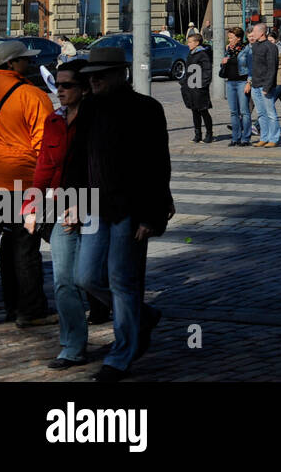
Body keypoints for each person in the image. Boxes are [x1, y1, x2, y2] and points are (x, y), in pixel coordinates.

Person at [73, 46, 172, 382]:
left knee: (122, 280)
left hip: (131, 209)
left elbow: (158, 167)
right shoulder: (89, 108)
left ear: (121, 74)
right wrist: (71, 200)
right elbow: (77, 161)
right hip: (94, 206)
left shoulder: (146, 109)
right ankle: (142, 316)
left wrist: (151, 216)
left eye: (99, 75)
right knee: (86, 276)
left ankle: (122, 354)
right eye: (89, 77)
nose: (93, 81)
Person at [21, 58, 90, 367]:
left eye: (66, 86)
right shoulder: (54, 121)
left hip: (96, 204)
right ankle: (72, 347)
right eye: (57, 85)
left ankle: (136, 317)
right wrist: (31, 207)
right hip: (64, 204)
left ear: (84, 88)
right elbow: (44, 166)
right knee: (64, 279)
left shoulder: (97, 120)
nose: (59, 91)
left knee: (96, 278)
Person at [0, 39, 54, 327]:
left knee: (9, 246)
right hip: (19, 183)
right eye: (24, 60)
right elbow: (45, 145)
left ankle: (10, 306)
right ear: (11, 64)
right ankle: (27, 309)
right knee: (23, 246)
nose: (30, 64)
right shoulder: (32, 96)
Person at [245, 23, 281, 149]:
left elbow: (272, 68)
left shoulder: (270, 47)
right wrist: (250, 82)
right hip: (255, 85)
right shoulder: (254, 46)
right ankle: (264, 138)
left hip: (265, 86)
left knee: (270, 113)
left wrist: (267, 86)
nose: (252, 34)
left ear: (261, 33)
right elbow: (252, 66)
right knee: (261, 114)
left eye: (254, 32)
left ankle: (274, 138)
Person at [219, 27, 252, 147]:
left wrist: (249, 82)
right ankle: (235, 137)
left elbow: (251, 67)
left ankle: (245, 138)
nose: (229, 40)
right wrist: (223, 62)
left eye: (231, 38)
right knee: (233, 112)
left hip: (242, 82)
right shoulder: (229, 49)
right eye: (229, 38)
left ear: (238, 38)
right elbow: (225, 64)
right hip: (230, 82)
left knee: (244, 111)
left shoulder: (246, 49)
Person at [181, 32, 214, 143]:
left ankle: (209, 134)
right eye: (188, 42)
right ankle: (197, 134)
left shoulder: (202, 54)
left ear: (197, 42)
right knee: (194, 111)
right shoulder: (191, 53)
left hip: (199, 87)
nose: (188, 44)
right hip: (191, 86)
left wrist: (203, 85)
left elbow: (207, 71)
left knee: (203, 110)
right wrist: (184, 83)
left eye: (190, 42)